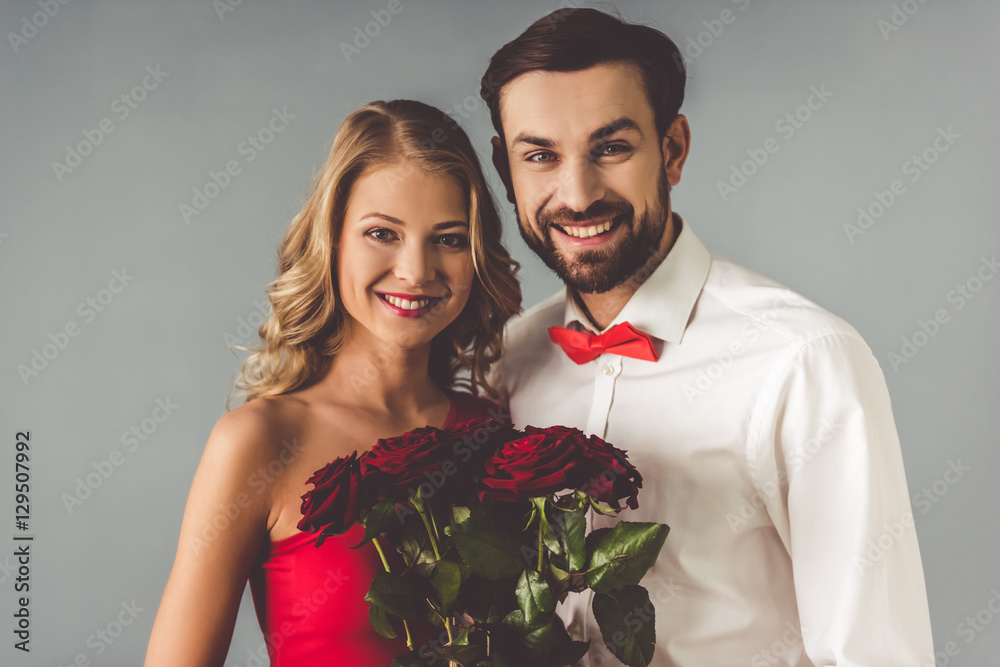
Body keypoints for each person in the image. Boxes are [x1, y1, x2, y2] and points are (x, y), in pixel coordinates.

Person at [482, 8, 933, 666]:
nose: (577, 194)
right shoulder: (504, 362)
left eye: (611, 148)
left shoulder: (803, 361)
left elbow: (878, 654)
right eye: (541, 156)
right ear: (505, 166)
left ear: (673, 150)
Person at [144, 99, 520, 666]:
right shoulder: (260, 442)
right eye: (382, 233)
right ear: (332, 240)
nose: (416, 271)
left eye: (448, 238)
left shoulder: (496, 431)